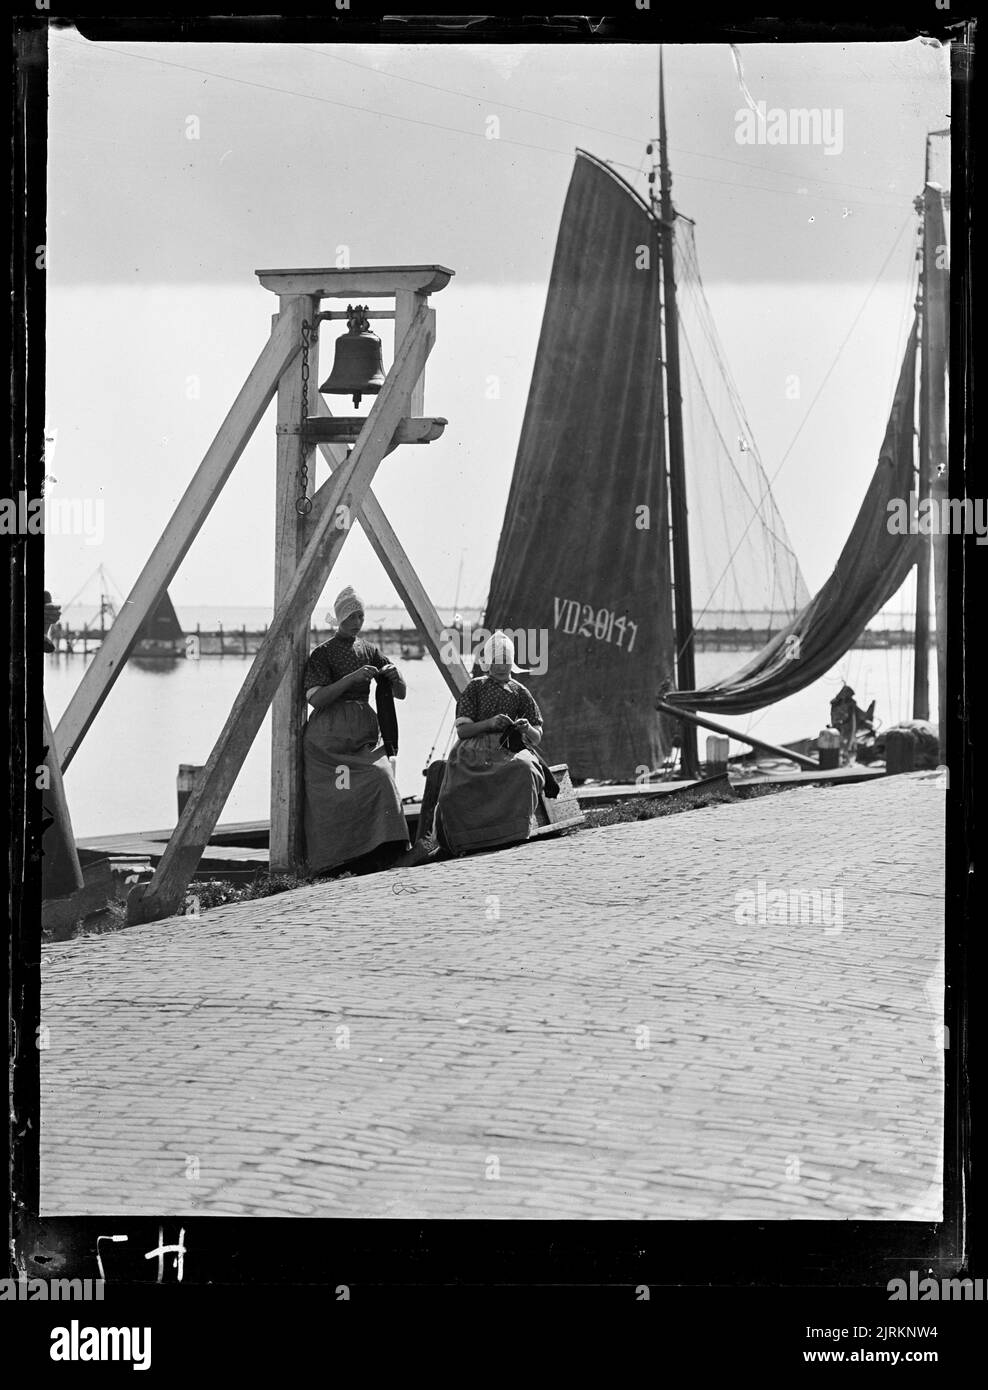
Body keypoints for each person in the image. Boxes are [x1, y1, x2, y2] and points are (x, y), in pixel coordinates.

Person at [302, 586, 409, 874]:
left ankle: (384, 849)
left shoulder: (369, 649)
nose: (357, 621)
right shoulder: (322, 654)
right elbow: (316, 699)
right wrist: (351, 678)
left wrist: (395, 675)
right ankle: (338, 858)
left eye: (360, 615)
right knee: (340, 792)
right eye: (351, 616)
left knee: (381, 776)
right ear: (339, 618)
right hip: (328, 740)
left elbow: (400, 694)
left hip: (363, 736)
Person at [436, 630, 545, 854]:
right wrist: (489, 723)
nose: (501, 666)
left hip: (508, 747)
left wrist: (527, 729)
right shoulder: (476, 687)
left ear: (512, 661)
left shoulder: (519, 691)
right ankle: (468, 838)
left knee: (524, 768)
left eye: (505, 660)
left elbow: (537, 736)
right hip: (474, 748)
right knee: (456, 787)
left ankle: (514, 832)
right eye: (497, 660)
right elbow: (463, 731)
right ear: (488, 661)